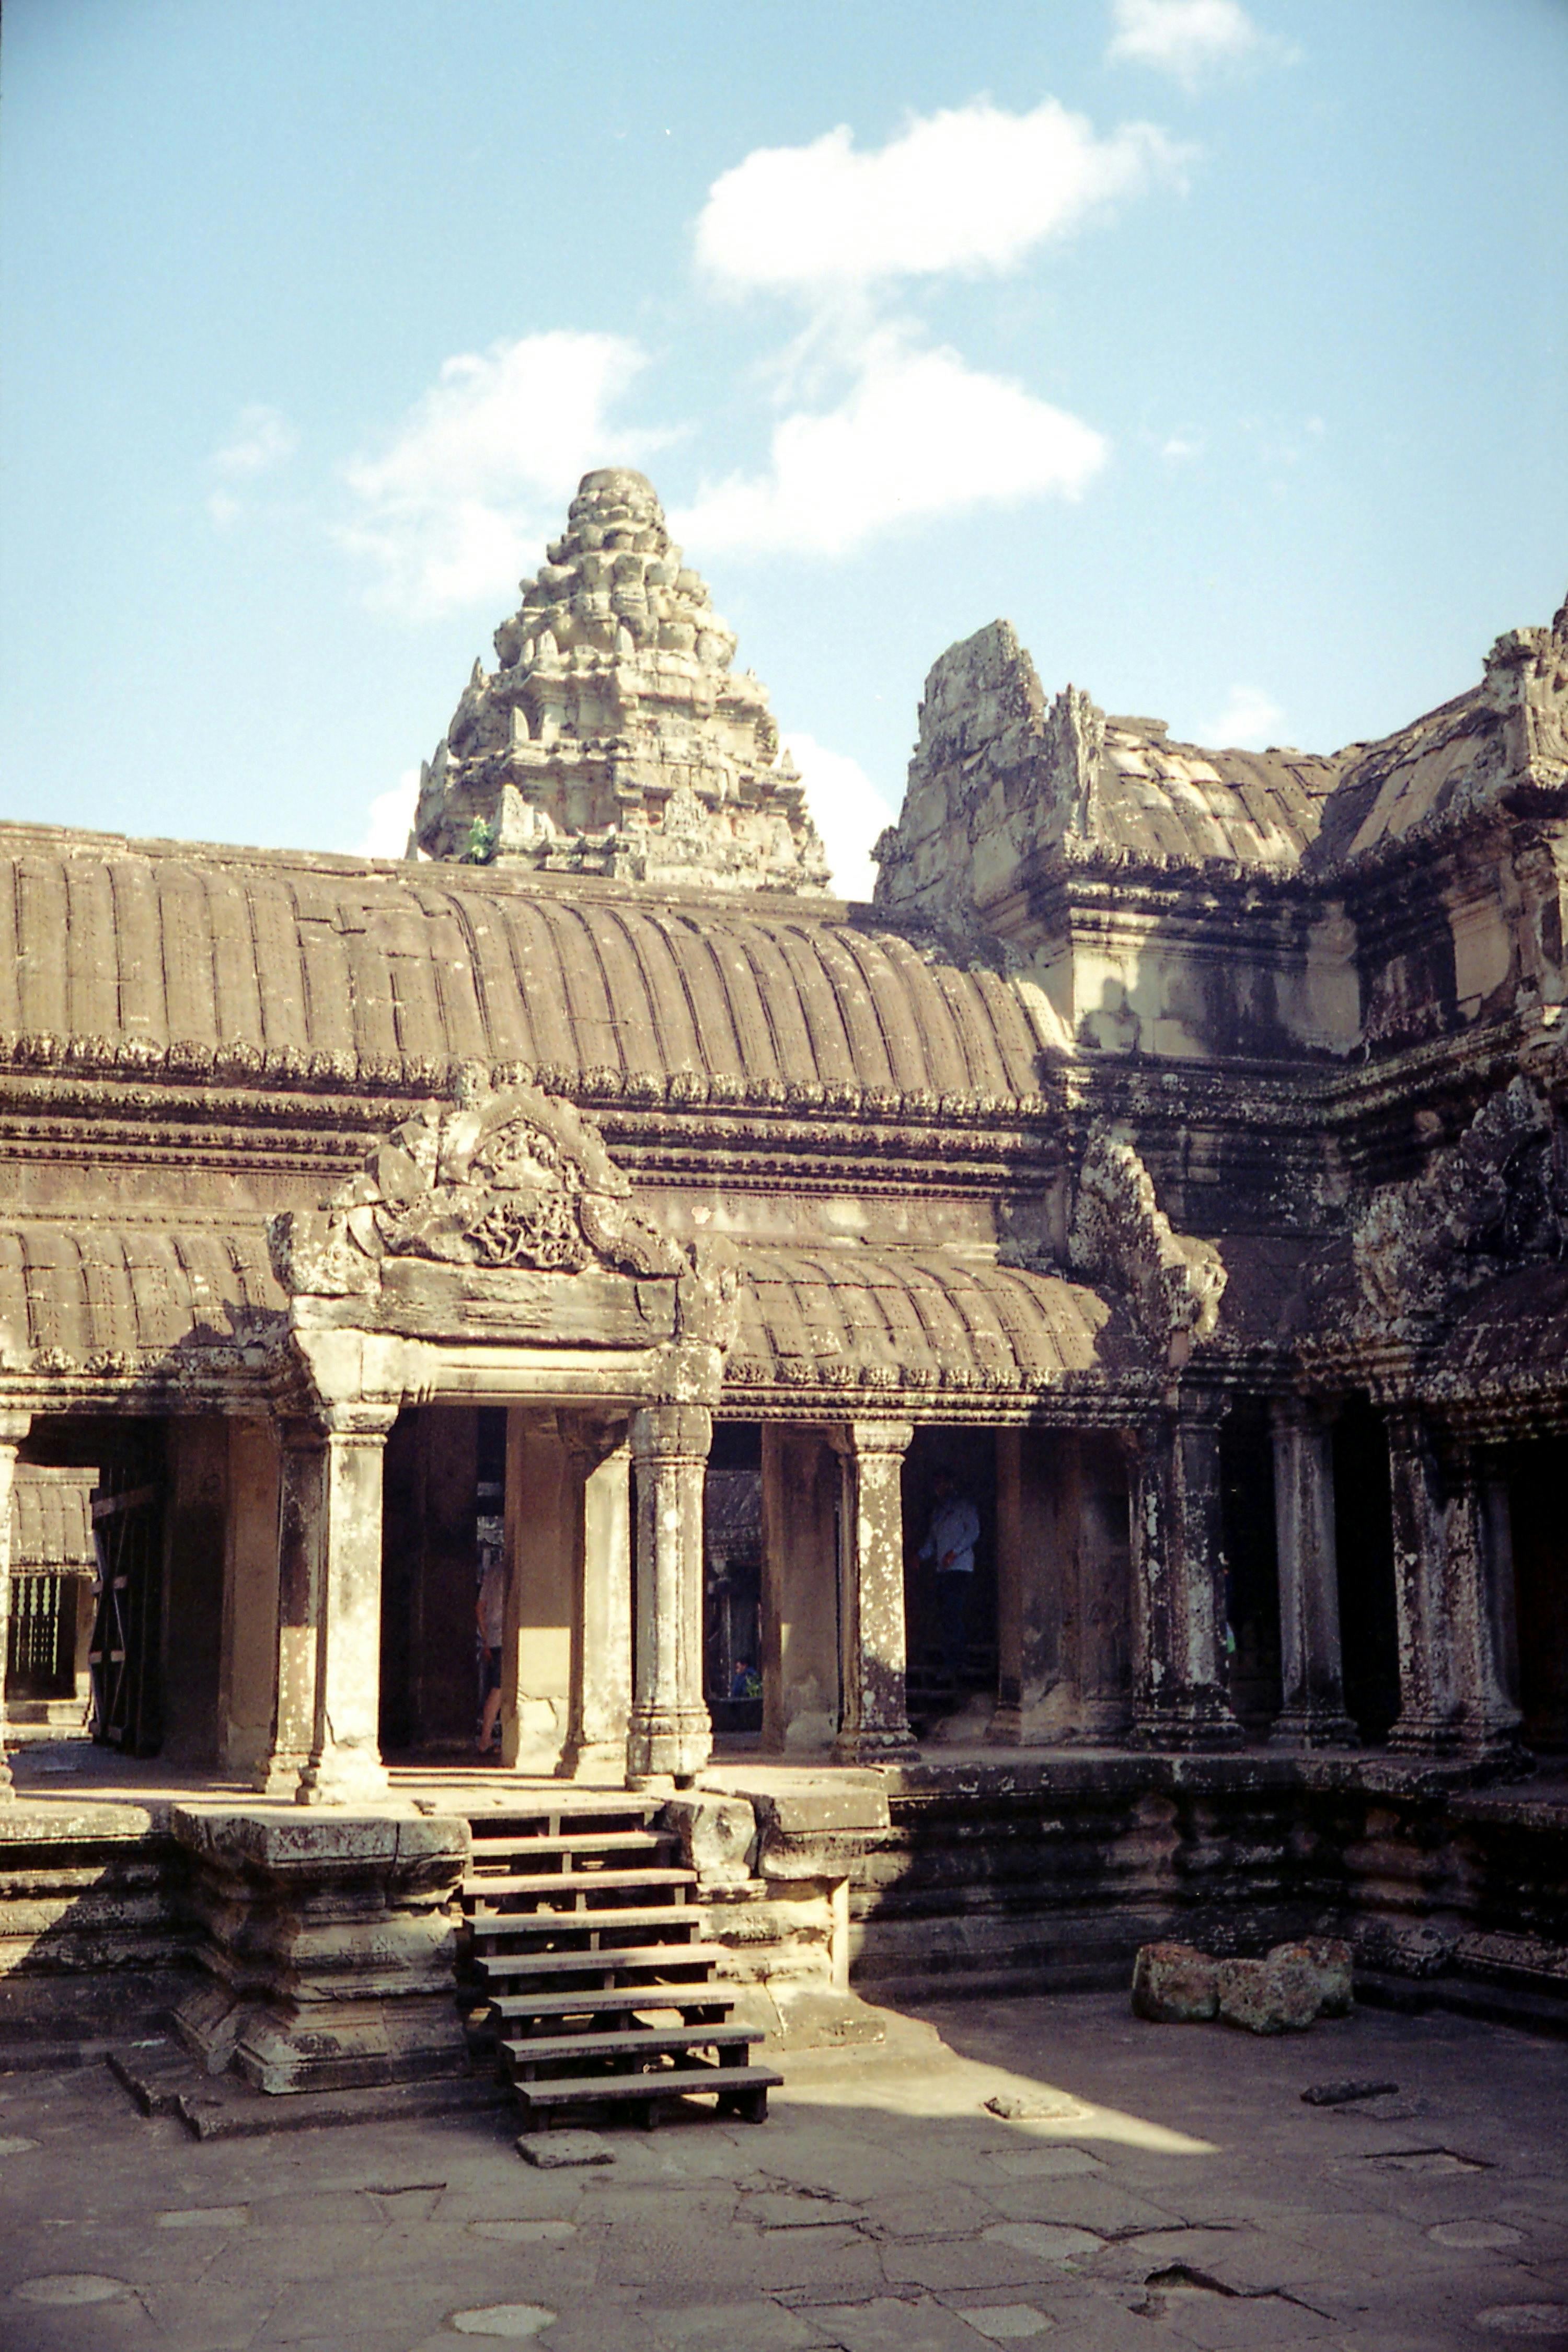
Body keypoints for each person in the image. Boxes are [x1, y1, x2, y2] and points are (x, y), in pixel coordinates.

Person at [918, 1471, 981, 1686]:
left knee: (953, 1613)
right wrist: (919, 1557)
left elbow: (973, 1532)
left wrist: (955, 1552)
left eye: (943, 1482)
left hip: (960, 1568)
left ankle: (958, 1661)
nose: (940, 1488)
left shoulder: (964, 1507)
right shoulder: (938, 1512)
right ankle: (950, 1661)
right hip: (942, 1570)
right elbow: (932, 1542)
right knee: (945, 1616)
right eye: (937, 1484)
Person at [476, 1549, 506, 1757]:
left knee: (499, 1686)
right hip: (506, 1635)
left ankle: (488, 1738)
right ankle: (486, 1739)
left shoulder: (493, 1571)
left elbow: (479, 1608)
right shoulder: (511, 1571)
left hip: (494, 1636)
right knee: (500, 1687)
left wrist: (486, 1639)